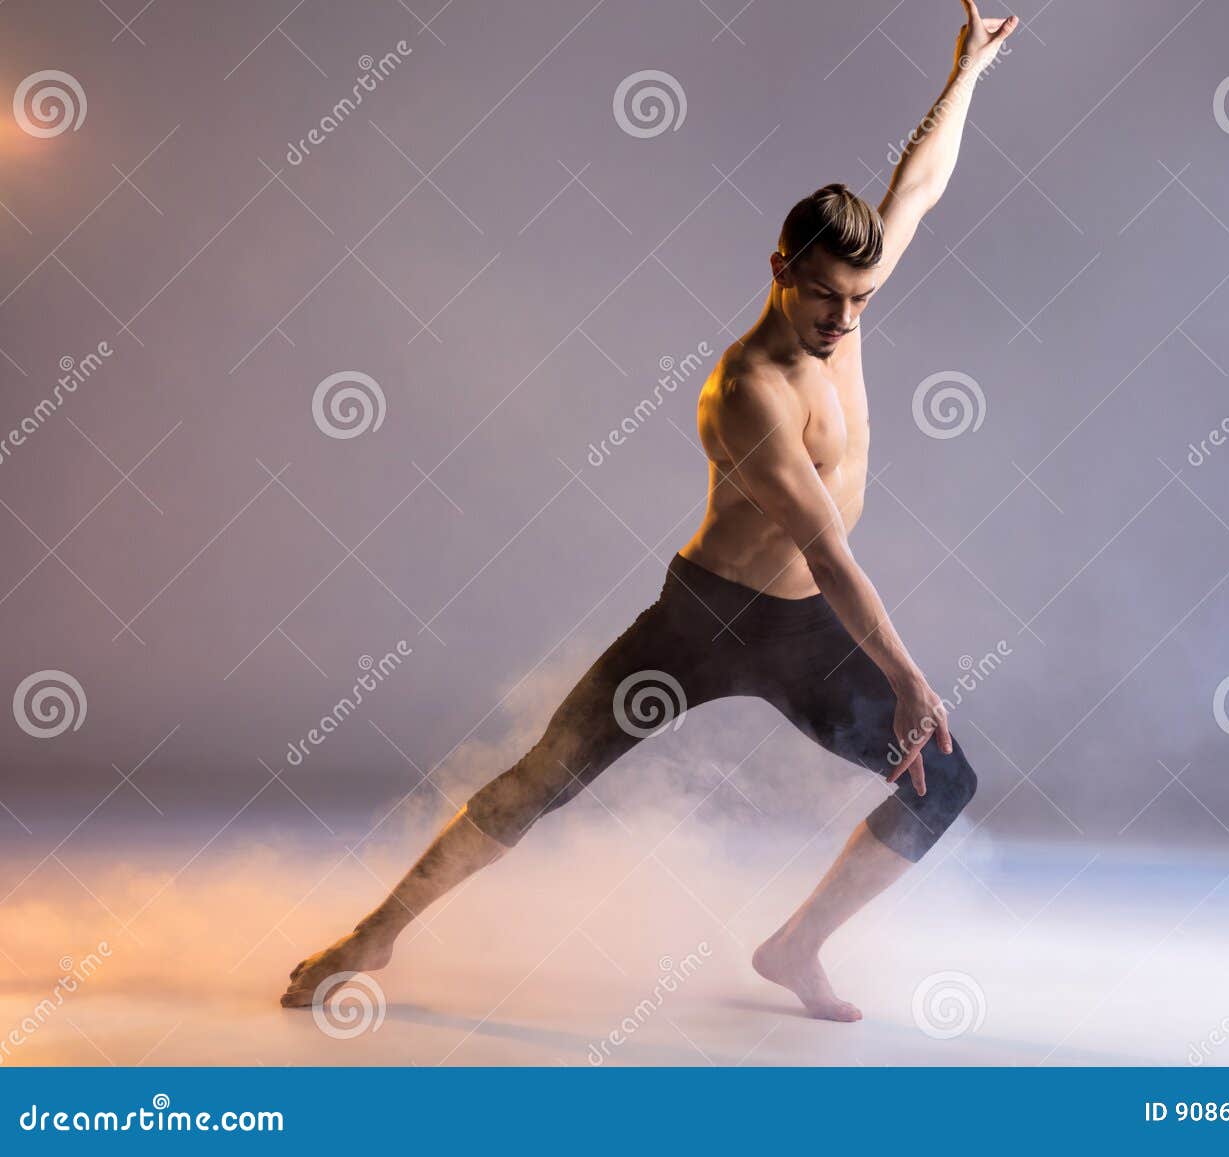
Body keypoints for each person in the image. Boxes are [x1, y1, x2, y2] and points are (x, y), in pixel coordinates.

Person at [282, 1, 1019, 1023]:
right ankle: (376, 932)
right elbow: (824, 543)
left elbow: (920, 186)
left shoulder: (845, 300)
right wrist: (905, 676)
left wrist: (965, 72)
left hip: (808, 631)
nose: (843, 319)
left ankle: (794, 947)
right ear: (779, 270)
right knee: (545, 775)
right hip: (706, 619)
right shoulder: (747, 389)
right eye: (822, 299)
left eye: (856, 298)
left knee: (943, 784)